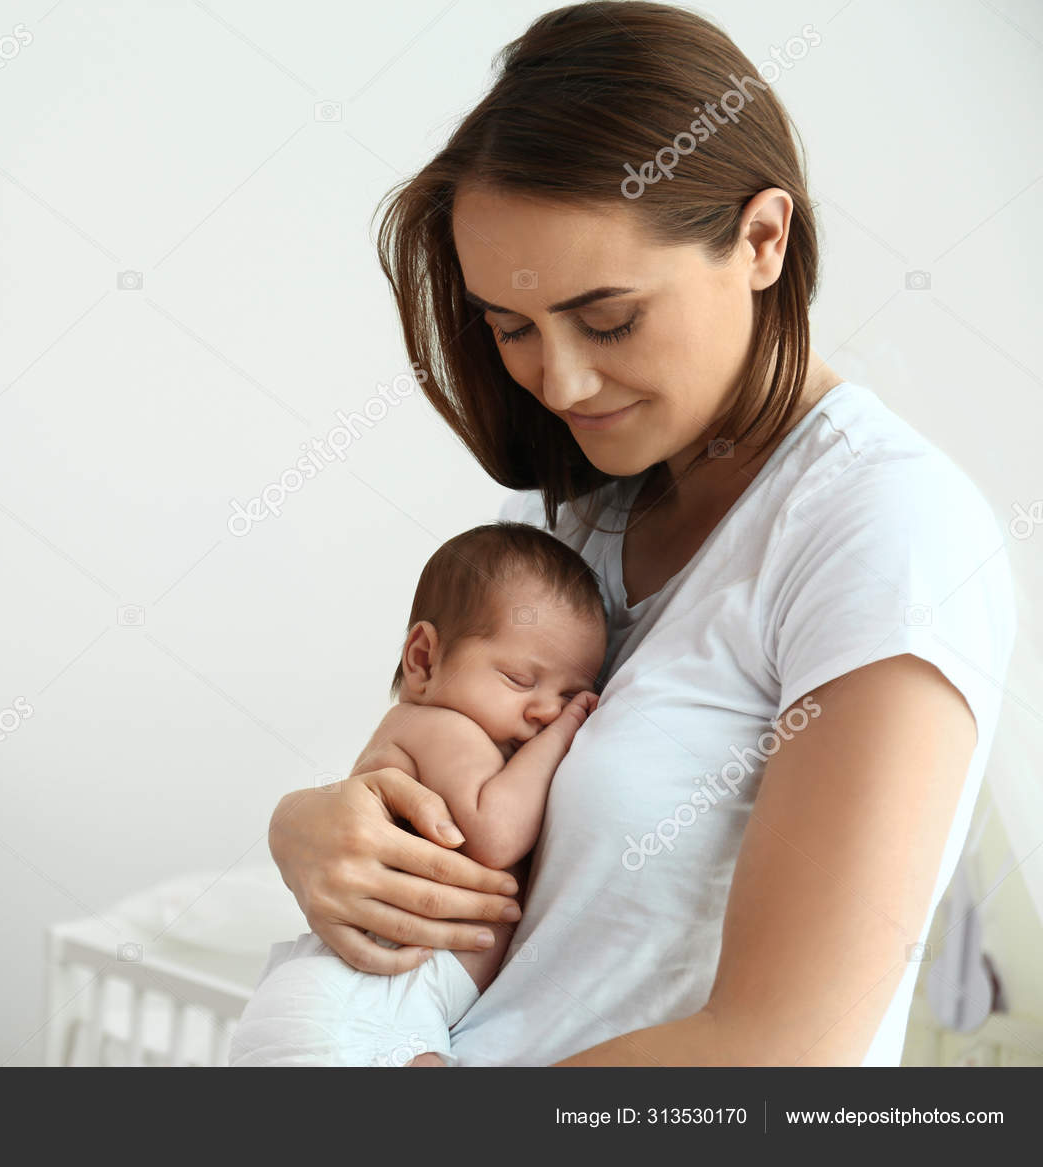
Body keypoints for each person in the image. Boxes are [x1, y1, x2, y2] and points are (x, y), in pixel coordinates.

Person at [263, 0, 1017, 1066]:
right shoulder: (567, 510)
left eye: (608, 319)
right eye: (512, 328)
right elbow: (439, 797)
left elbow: (781, 1050)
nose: (559, 380)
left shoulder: (883, 529)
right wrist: (308, 829)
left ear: (762, 240)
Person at [230, 523, 606, 1065]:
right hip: (359, 1003)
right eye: (521, 680)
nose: (544, 710)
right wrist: (568, 727)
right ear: (424, 659)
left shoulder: (436, 732)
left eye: (569, 692)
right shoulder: (445, 727)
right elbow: (496, 835)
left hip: (378, 1000)